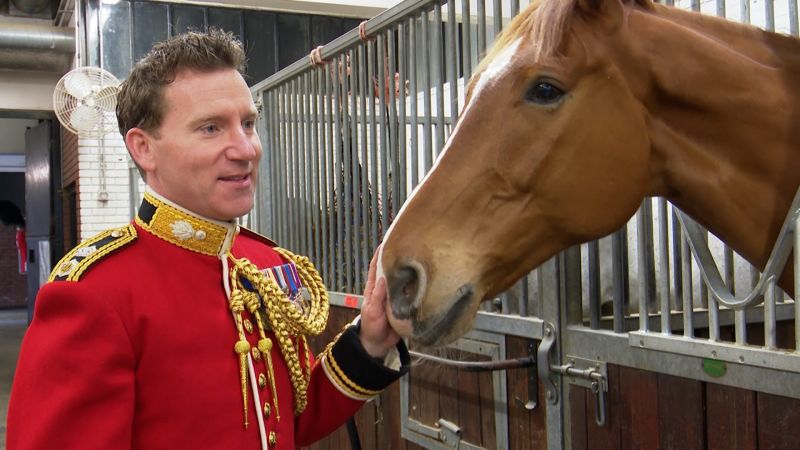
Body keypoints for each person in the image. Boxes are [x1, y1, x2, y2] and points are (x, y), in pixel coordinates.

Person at [6, 29, 408, 450]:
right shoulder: (93, 293)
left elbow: (292, 420)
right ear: (144, 149)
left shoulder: (268, 263)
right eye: (212, 128)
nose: (246, 148)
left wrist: (371, 340)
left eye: (248, 124)